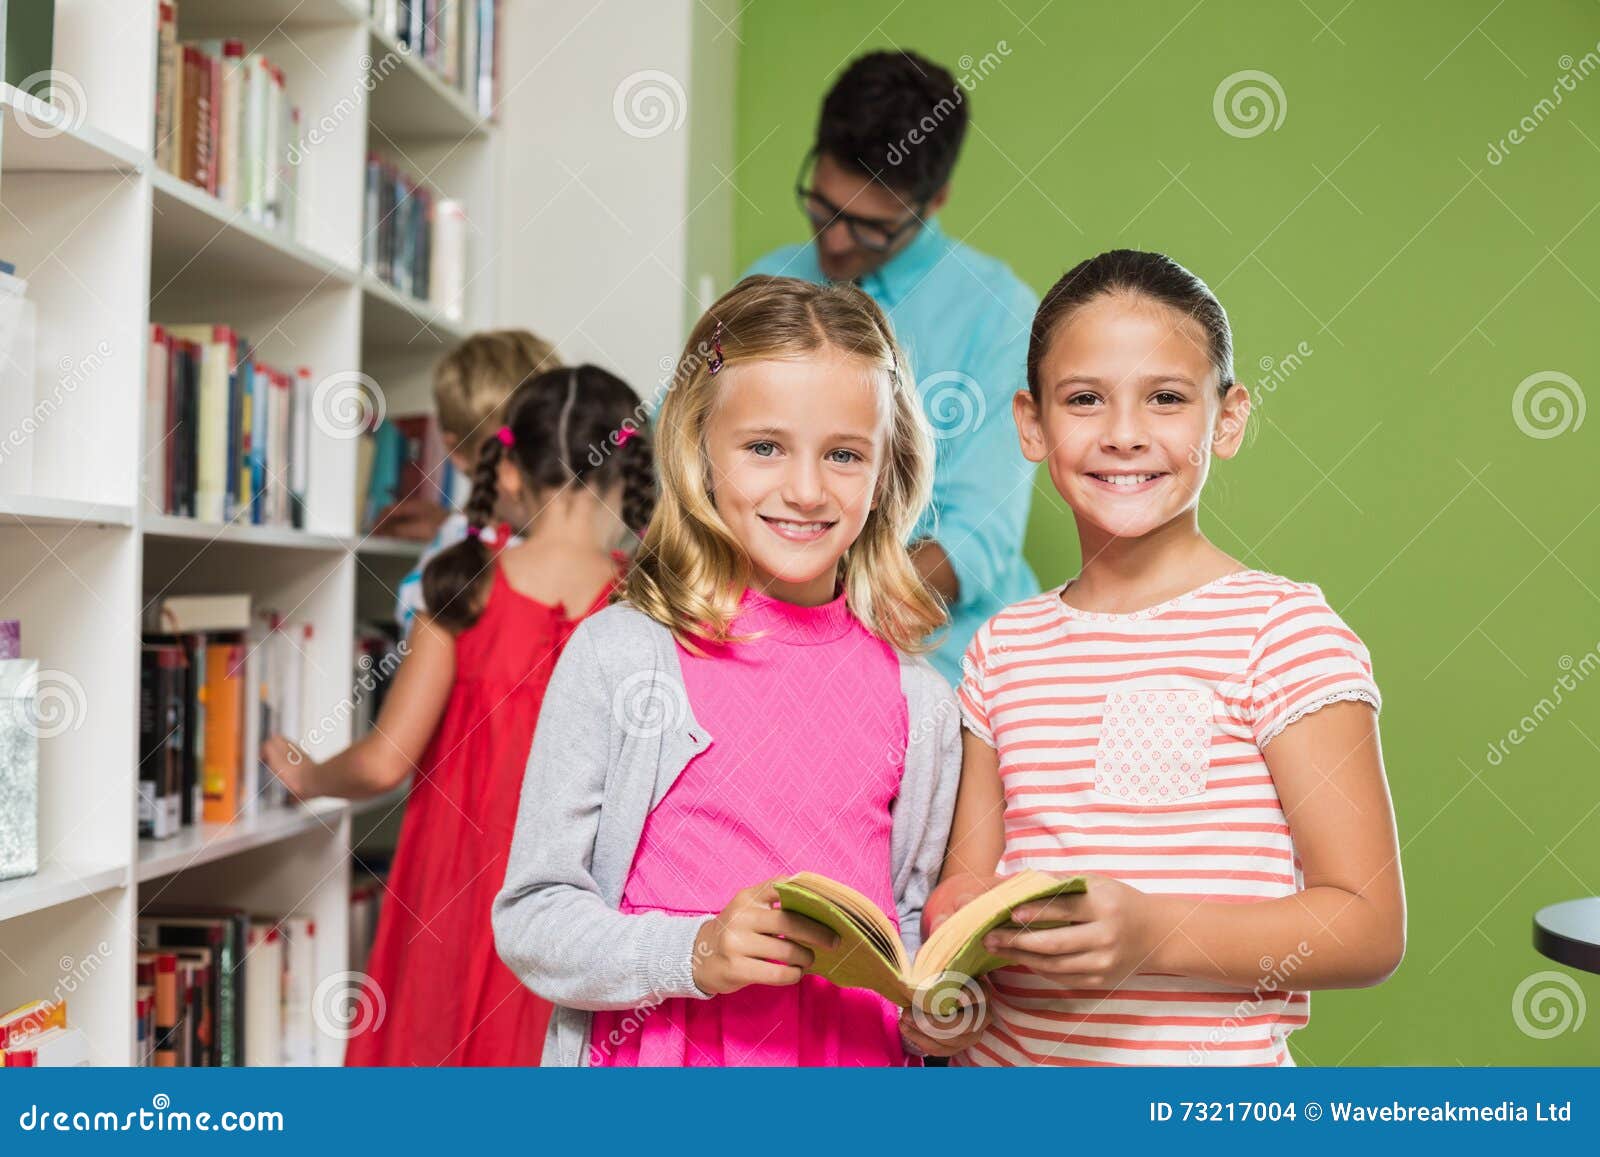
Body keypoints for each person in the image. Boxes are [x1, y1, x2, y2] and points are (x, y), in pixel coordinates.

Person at [492, 276, 980, 1066]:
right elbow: (534, 916)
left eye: (845, 455)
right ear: (698, 452)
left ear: (888, 470)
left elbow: (914, 930)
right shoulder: (622, 654)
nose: (806, 489)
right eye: (764, 447)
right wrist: (696, 950)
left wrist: (940, 1008)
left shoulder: (919, 703)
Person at [943, 249, 1405, 1066]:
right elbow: (968, 887)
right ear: (1031, 422)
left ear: (1225, 420)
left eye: (1165, 398)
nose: (1124, 434)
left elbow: (1366, 926)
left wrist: (1151, 930)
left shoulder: (1283, 631)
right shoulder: (1001, 648)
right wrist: (951, 976)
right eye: (1084, 400)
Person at [262, 365, 655, 1065]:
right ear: (630, 470)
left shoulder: (463, 586)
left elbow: (386, 760)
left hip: (456, 891)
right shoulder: (645, 607)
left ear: (507, 470)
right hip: (588, 906)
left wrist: (310, 772)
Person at [743, 49, 1039, 684]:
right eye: (822, 208)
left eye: (871, 228)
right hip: (762, 643)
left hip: (941, 665)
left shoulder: (1001, 315)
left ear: (935, 202)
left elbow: (975, 546)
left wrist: (824, 615)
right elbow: (676, 450)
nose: (837, 241)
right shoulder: (763, 285)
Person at [382, 328, 562, 637]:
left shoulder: (568, 535)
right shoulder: (452, 567)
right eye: (510, 453)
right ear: (457, 451)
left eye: (545, 443)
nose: (532, 467)